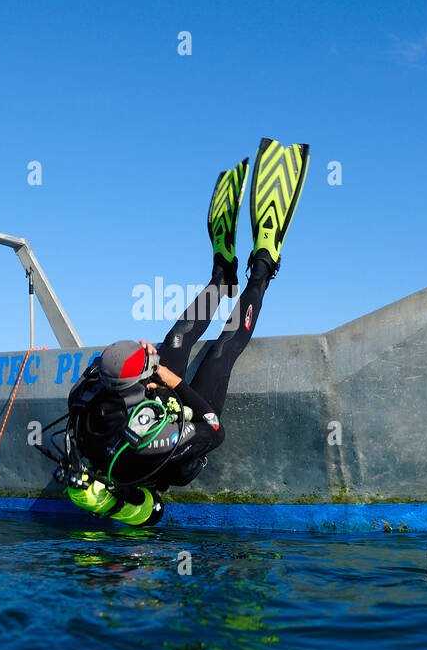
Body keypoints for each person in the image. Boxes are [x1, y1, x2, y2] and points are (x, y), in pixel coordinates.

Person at [56, 138, 310, 525]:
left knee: (175, 340)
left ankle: (222, 278)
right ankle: (263, 268)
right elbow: (214, 430)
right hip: (166, 457)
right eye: (146, 361)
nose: (148, 353)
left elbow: (105, 366)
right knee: (222, 350)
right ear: (140, 383)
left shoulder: (93, 394)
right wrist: (176, 383)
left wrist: (144, 362)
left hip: (145, 405)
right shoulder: (151, 439)